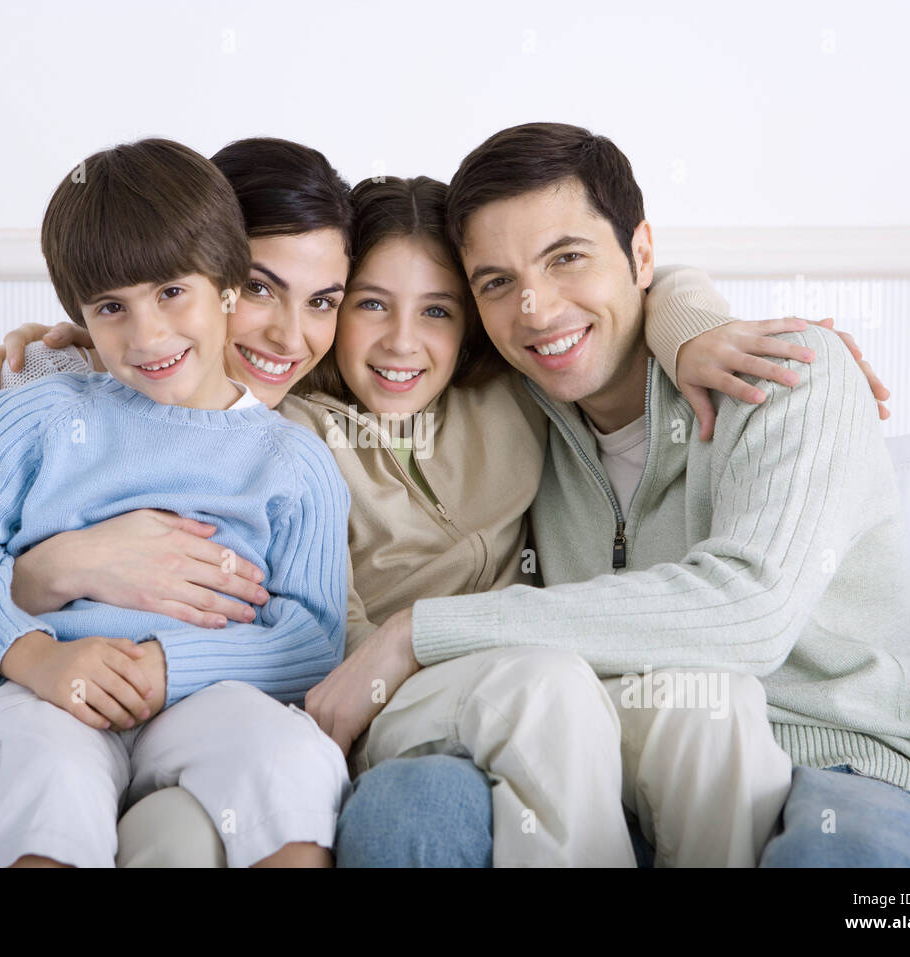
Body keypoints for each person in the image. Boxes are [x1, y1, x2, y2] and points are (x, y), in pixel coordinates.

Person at [0, 135, 892, 866]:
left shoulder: (485, 391)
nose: (287, 333)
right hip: (51, 717)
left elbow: (583, 305)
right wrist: (49, 576)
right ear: (211, 276)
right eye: (263, 289)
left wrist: (687, 326)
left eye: (322, 300)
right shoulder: (55, 401)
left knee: (628, 704)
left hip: (271, 711)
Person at [306, 122, 910, 867]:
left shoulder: (791, 377)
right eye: (497, 282)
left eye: (567, 259)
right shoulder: (522, 407)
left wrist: (416, 631)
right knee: (410, 816)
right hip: (606, 760)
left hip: (839, 766)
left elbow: (748, 612)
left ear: (642, 254)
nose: (535, 306)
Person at [275, 174, 794, 866]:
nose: (402, 342)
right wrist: (77, 347)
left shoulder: (512, 396)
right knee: (544, 685)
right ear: (333, 306)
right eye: (372, 304)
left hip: (550, 694)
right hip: (389, 700)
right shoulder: (292, 433)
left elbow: (638, 286)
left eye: (436, 311)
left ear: (469, 325)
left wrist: (691, 330)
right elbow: (174, 348)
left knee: (714, 703)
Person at [0, 137, 352, 868]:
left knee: (289, 762)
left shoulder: (294, 459)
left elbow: (310, 635)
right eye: (112, 307)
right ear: (78, 311)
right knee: (42, 780)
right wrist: (36, 656)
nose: (146, 335)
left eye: (173, 292)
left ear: (226, 287)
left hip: (209, 695)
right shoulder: (34, 413)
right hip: (50, 691)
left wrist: (170, 665)